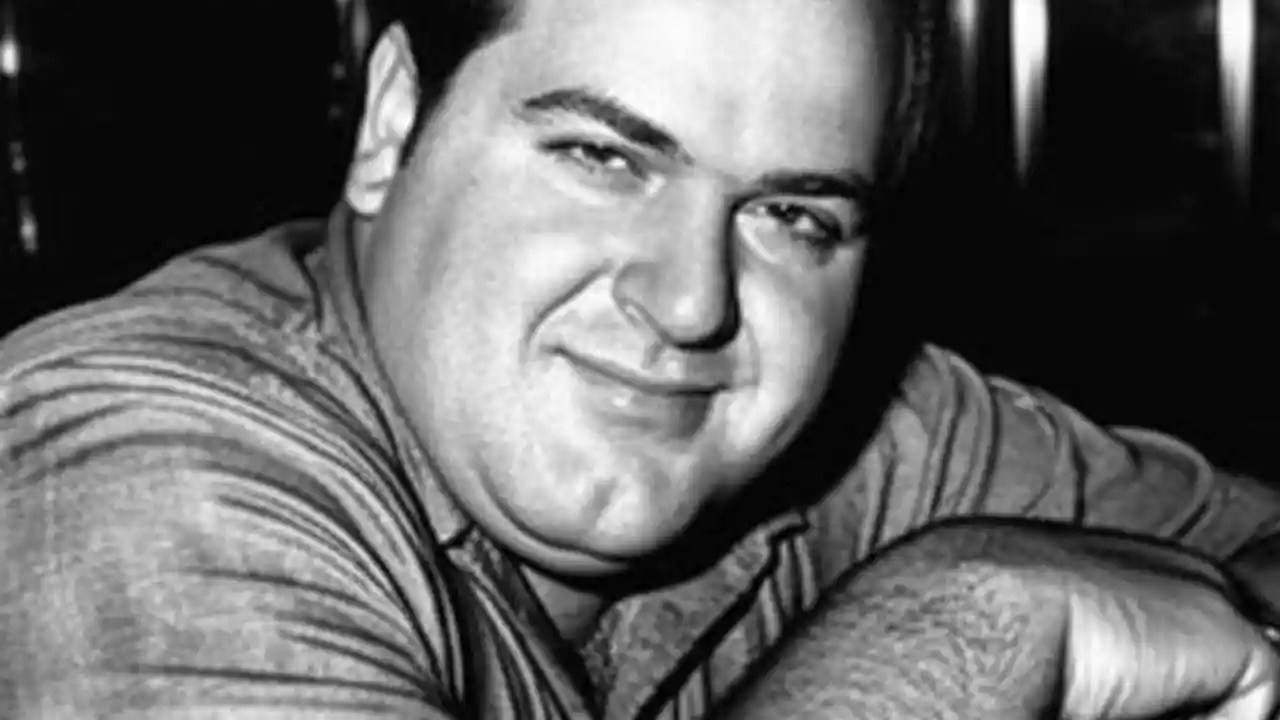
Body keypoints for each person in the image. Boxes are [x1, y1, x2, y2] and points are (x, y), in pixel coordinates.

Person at [2, 0, 1279, 717]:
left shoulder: (869, 429)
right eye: (604, 158)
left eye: (793, 216)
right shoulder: (129, 464)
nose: (689, 303)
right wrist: (958, 629)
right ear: (394, 125)